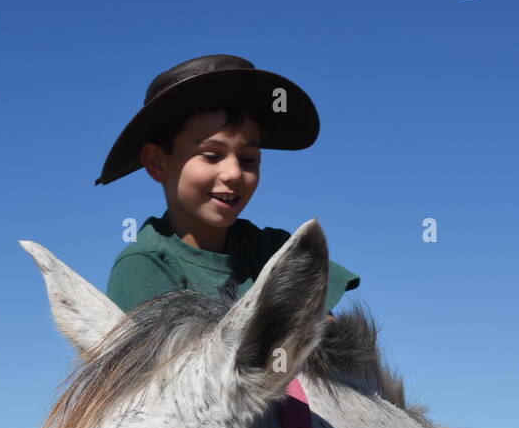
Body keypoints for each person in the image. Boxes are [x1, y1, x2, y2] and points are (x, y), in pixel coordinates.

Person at [94, 53, 359, 316]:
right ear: (157, 163)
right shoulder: (145, 266)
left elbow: (323, 333)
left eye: (248, 158)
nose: (233, 173)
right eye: (211, 156)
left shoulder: (275, 250)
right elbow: (159, 359)